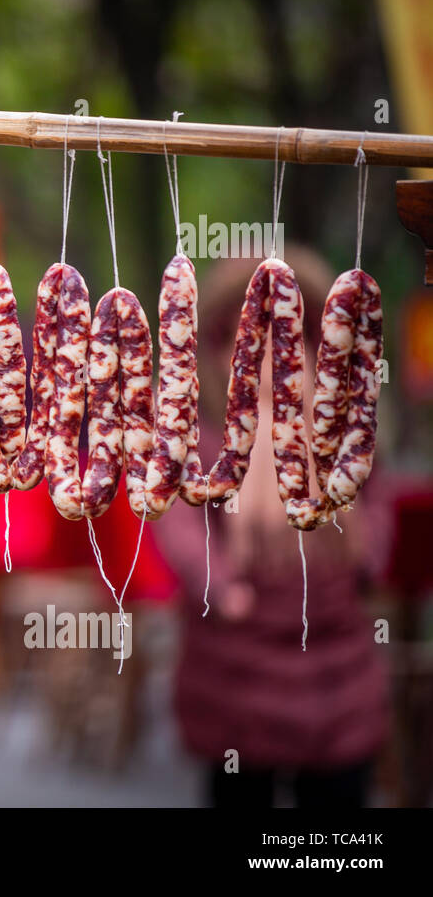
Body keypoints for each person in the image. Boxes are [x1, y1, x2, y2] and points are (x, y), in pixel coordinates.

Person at [154, 245, 389, 808]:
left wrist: (365, 557)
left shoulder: (339, 441)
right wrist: (219, 583)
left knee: (337, 794)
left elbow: (374, 507)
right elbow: (180, 522)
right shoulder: (207, 437)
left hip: (332, 656)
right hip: (236, 655)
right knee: (240, 783)